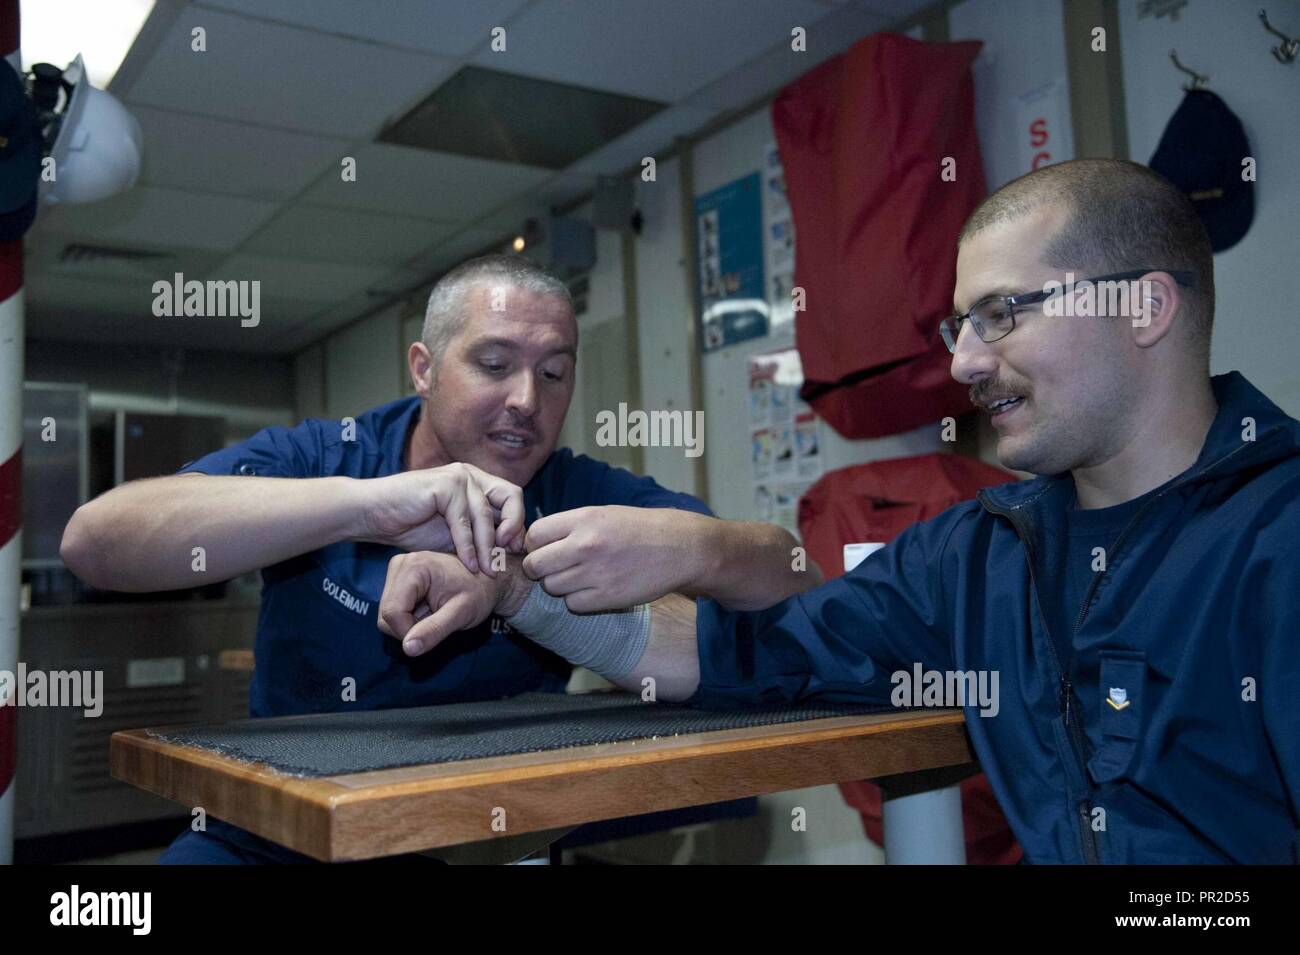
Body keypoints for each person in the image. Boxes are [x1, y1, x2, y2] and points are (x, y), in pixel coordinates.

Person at [380, 161, 1300, 864]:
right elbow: (748, 657)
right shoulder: (980, 553)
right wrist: (516, 593)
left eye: (1004, 313)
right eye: (959, 327)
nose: (966, 364)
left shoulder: (1278, 536)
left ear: (1145, 307)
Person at [60, 254, 817, 864]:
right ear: (423, 366)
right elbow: (94, 543)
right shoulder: (328, 455)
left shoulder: (576, 491)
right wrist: (366, 506)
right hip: (269, 836)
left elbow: (794, 575)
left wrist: (697, 545)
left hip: (475, 838)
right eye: (494, 363)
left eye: (555, 372)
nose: (527, 398)